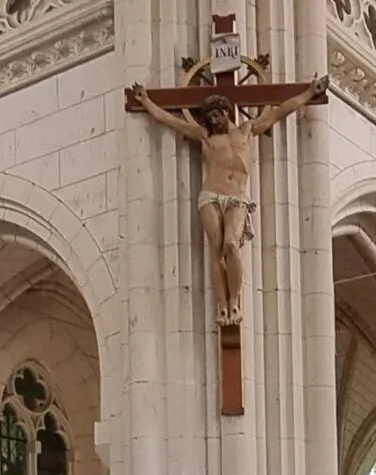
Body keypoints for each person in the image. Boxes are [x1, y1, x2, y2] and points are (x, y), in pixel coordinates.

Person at [130, 75, 328, 328]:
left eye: (216, 115)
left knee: (231, 245)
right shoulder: (204, 135)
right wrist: (146, 101)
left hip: (237, 197)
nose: (213, 121)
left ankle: (235, 300)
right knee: (216, 249)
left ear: (226, 112)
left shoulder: (247, 129)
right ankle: (222, 306)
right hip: (210, 196)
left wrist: (309, 92)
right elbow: (170, 120)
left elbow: (280, 111)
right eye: (209, 117)